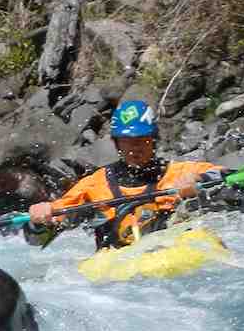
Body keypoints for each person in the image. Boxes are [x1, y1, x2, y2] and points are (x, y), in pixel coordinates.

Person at [25, 99, 223, 250]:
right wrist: (39, 222)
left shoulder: (180, 173)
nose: (134, 147)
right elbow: (37, 241)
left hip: (173, 254)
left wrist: (200, 181)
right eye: (127, 140)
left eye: (142, 139)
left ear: (154, 140)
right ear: (116, 143)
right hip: (119, 266)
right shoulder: (94, 185)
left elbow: (233, 179)